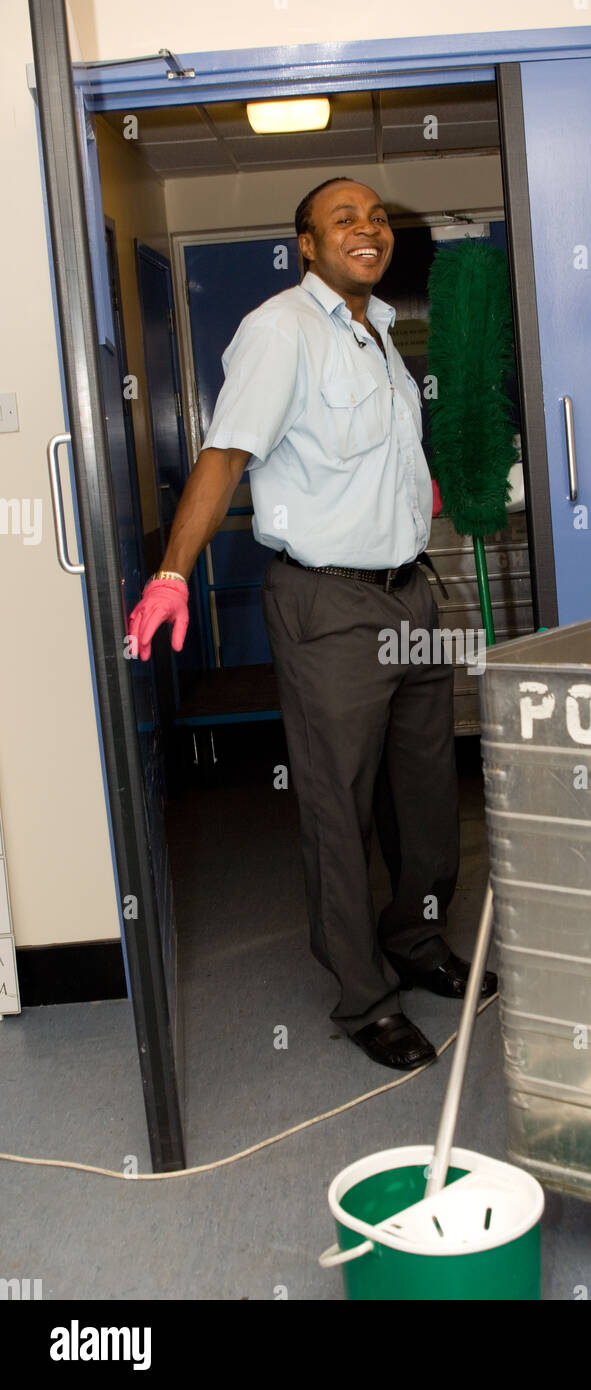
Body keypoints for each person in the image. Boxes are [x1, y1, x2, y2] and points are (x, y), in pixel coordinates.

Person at [128, 177, 496, 1071]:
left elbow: (376, 460)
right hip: (329, 604)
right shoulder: (280, 330)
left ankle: (415, 941)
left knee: (423, 790)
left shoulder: (377, 337)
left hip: (411, 589)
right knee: (336, 805)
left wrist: (425, 495)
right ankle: (362, 995)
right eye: (344, 220)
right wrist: (174, 573)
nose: (367, 230)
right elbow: (226, 455)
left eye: (375, 218)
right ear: (306, 243)